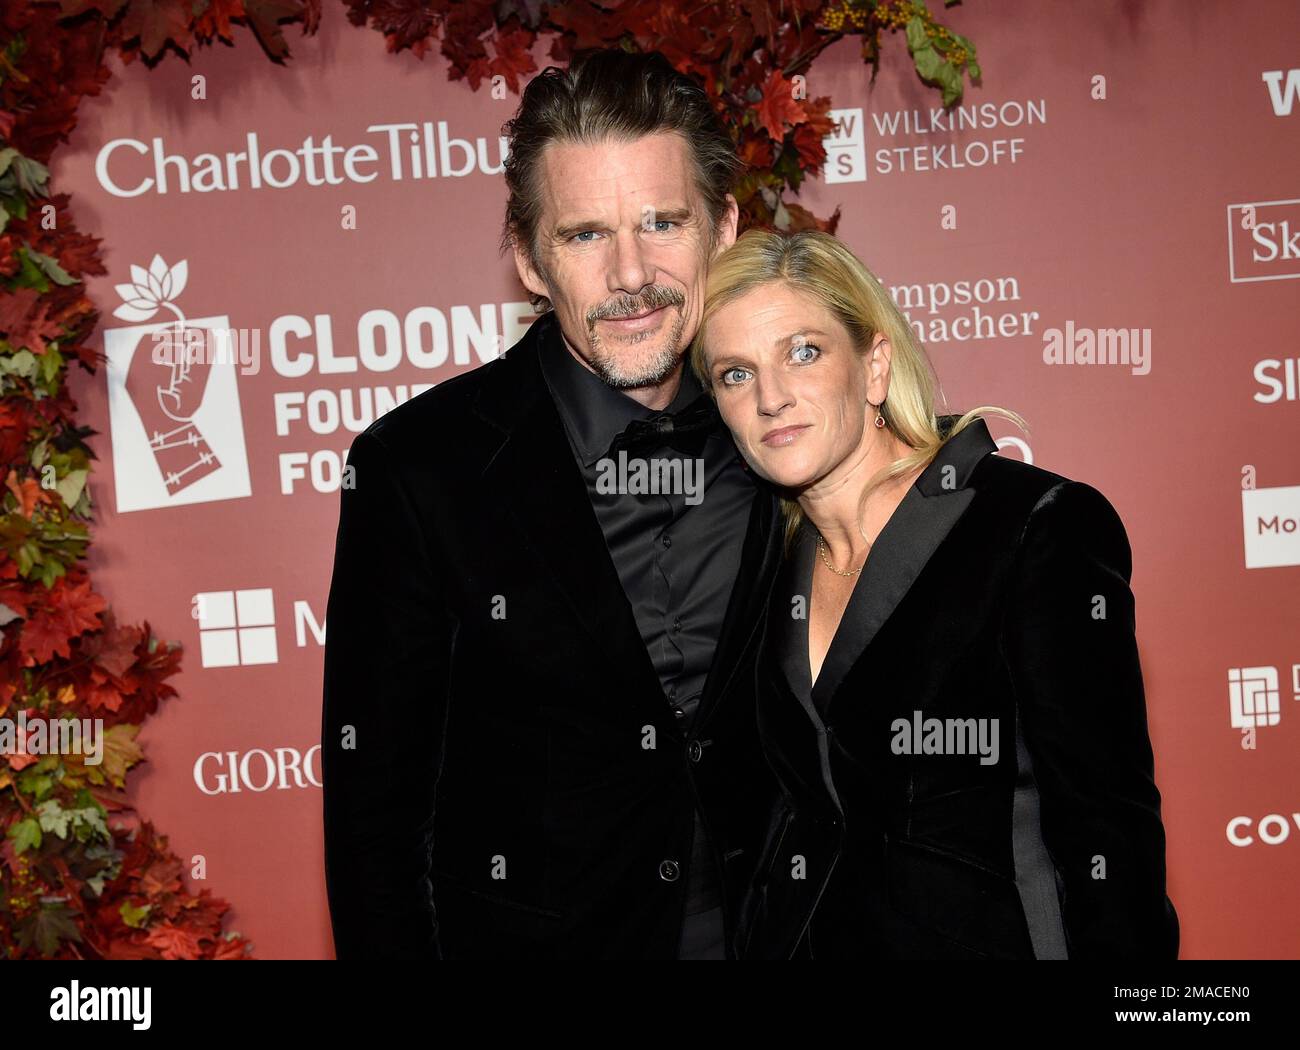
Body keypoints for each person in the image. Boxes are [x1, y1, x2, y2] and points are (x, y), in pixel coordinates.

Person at [321, 49, 783, 959]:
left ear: (723, 227)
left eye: (662, 221)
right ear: (529, 259)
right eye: (583, 236)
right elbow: (375, 827)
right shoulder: (420, 471)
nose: (630, 273)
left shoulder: (787, 427)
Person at [690, 228, 1180, 959]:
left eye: (804, 352)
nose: (771, 397)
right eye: (735, 373)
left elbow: (1109, 836)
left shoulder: (1030, 528)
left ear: (875, 364)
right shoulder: (759, 569)